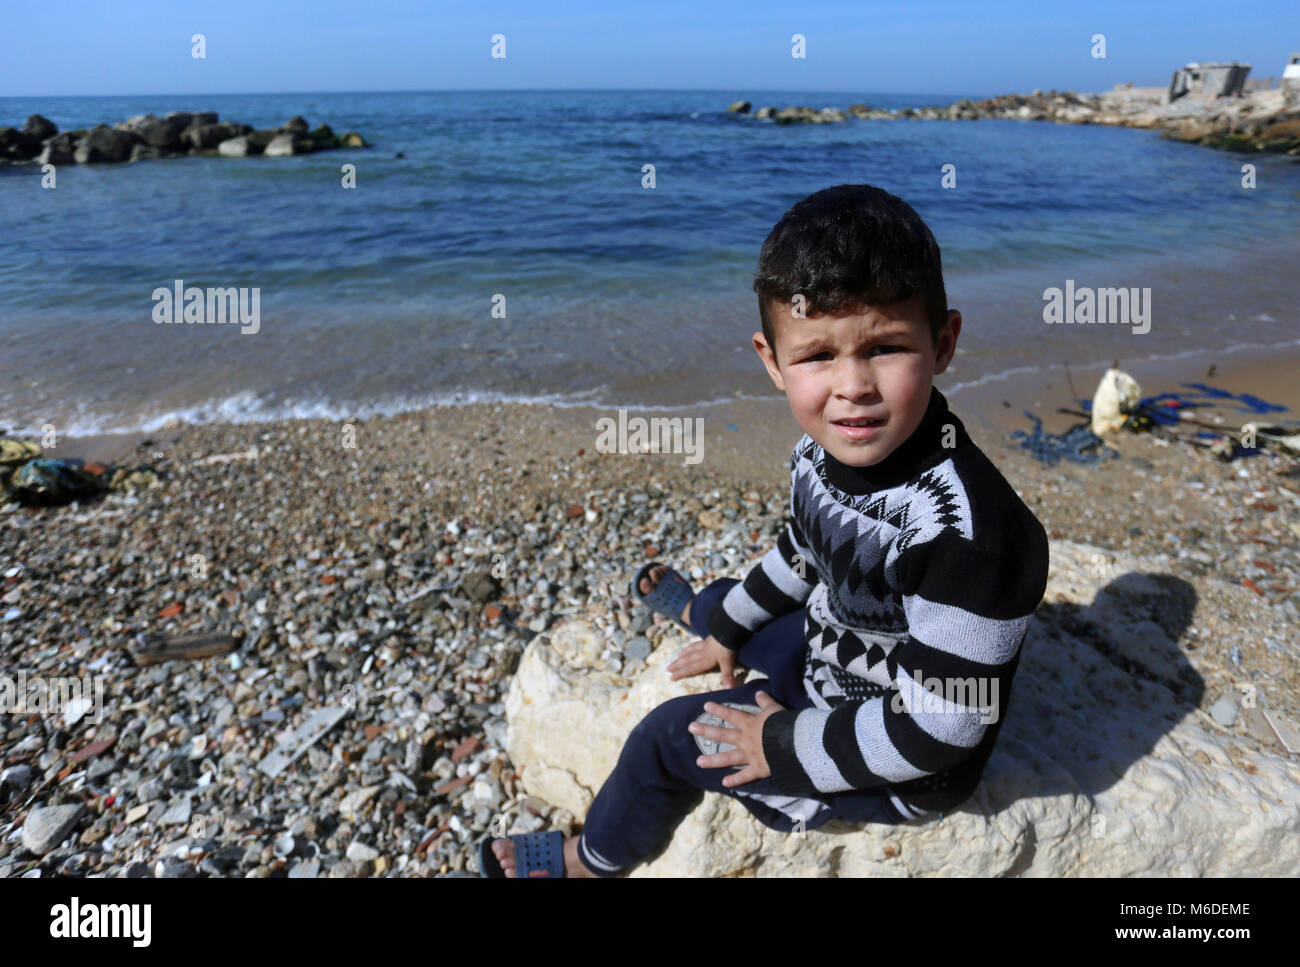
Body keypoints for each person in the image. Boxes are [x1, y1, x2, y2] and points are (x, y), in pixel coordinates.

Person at [481, 184, 1049, 878]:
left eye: (887, 347)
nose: (853, 386)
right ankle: (707, 615)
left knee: (665, 738)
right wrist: (730, 628)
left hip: (894, 762)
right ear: (772, 360)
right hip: (836, 646)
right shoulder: (823, 453)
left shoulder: (966, 533)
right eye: (818, 356)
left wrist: (780, 743)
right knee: (748, 604)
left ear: (944, 342)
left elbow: (943, 726)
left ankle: (592, 856)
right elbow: (803, 553)